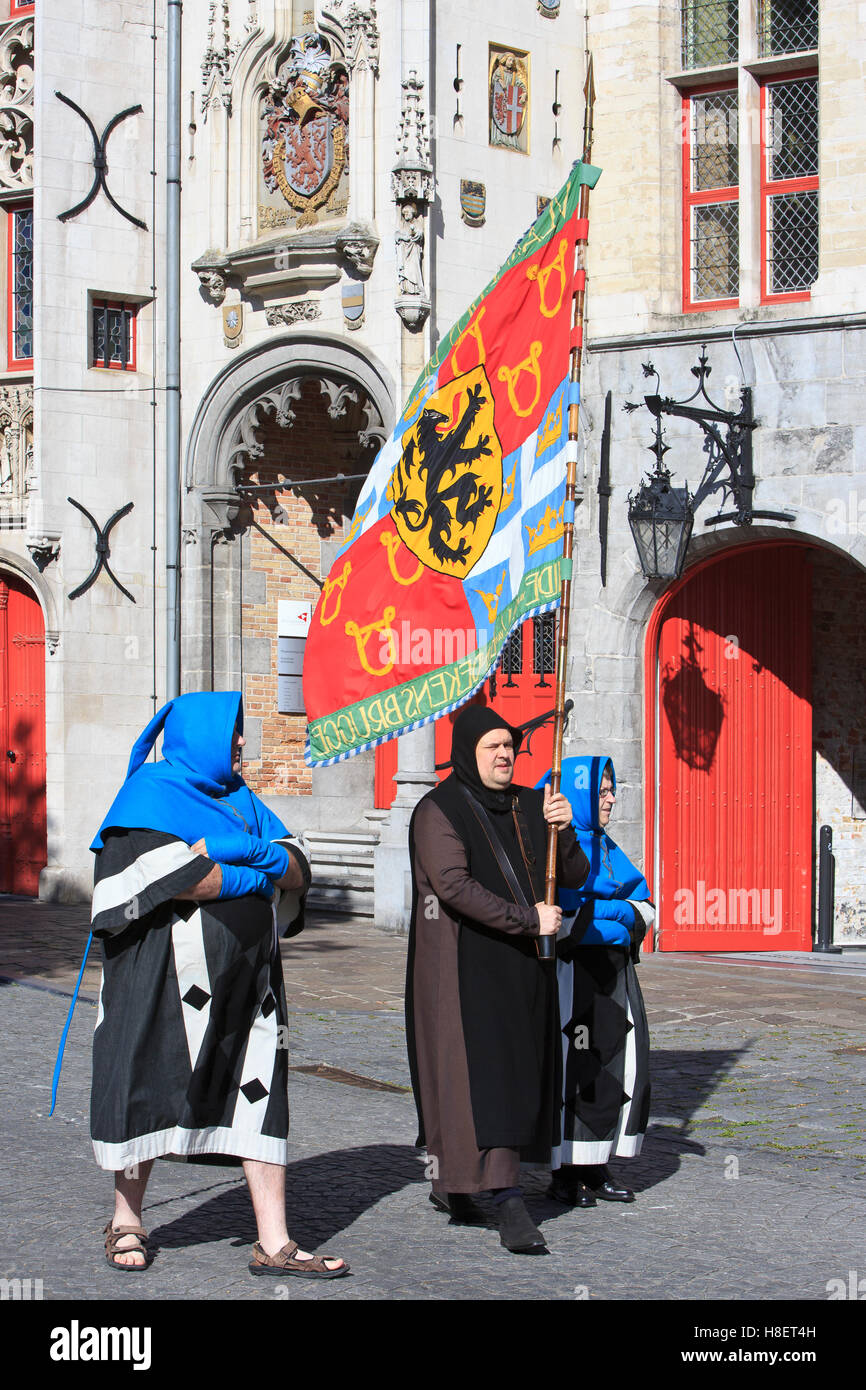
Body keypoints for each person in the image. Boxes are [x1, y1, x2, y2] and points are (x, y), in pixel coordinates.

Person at [89, 691, 348, 1279]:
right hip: (158, 981)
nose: (240, 743)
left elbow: (300, 864)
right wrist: (256, 878)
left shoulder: (241, 801)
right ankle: (127, 1219)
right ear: (198, 735)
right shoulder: (147, 797)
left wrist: (249, 852)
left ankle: (274, 1241)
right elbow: (179, 878)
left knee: (258, 1093)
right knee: (146, 1083)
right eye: (231, 732)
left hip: (250, 986)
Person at [406, 704, 589, 1253]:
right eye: (493, 747)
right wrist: (530, 919)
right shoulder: (437, 810)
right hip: (463, 963)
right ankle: (502, 1198)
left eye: (510, 746)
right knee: (467, 1077)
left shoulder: (533, 803)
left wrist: (567, 828)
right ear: (467, 752)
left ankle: (464, 1186)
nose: (505, 755)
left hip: (524, 964)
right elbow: (453, 886)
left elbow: (575, 875)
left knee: (511, 1072)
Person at [538, 755, 654, 1207]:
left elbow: (644, 908)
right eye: (601, 791)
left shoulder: (610, 847)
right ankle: (564, 1172)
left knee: (610, 1068)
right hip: (573, 979)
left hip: (614, 977)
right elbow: (563, 918)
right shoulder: (556, 847)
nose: (609, 799)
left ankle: (595, 1166)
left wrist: (612, 915)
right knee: (573, 1069)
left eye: (612, 790)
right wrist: (614, 915)